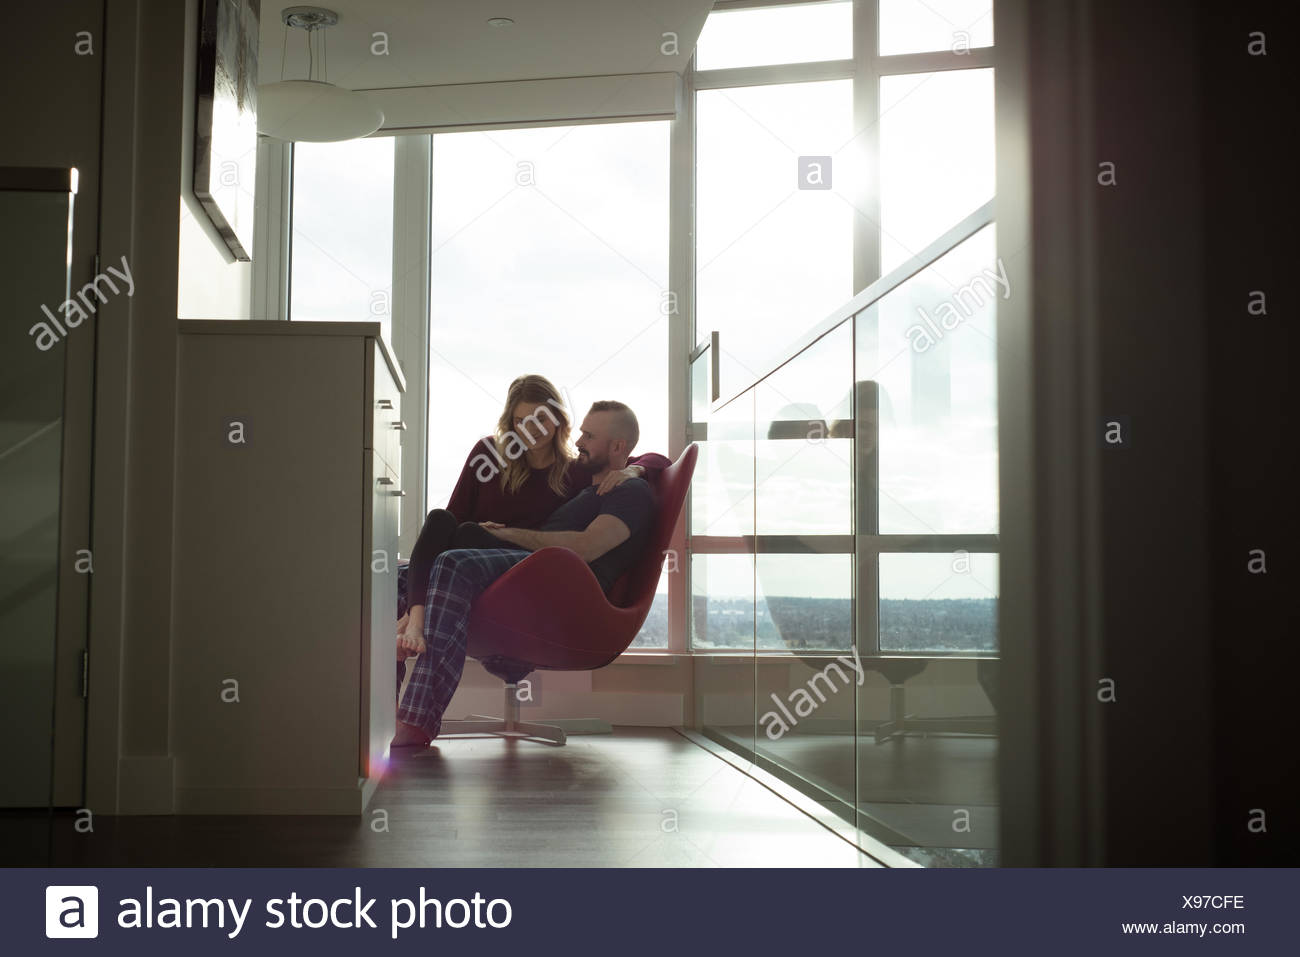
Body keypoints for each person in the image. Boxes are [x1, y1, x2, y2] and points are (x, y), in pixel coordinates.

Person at [391, 400, 657, 748]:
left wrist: (507, 533)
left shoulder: (630, 491)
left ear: (618, 447)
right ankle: (377, 712)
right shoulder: (588, 483)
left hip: (561, 590)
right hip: (531, 573)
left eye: (589, 436)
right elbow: (653, 462)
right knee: (397, 579)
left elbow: (587, 547)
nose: (579, 442)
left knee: (453, 563)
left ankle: (417, 721)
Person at [396, 374, 668, 653]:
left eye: (539, 419)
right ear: (511, 424)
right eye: (520, 421)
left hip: (517, 572)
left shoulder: (575, 471)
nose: (530, 429)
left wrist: (635, 469)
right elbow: (452, 520)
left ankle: (411, 617)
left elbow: (652, 459)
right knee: (438, 525)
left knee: (405, 577)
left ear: (557, 419)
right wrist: (481, 530)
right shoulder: (489, 453)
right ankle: (412, 621)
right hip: (467, 548)